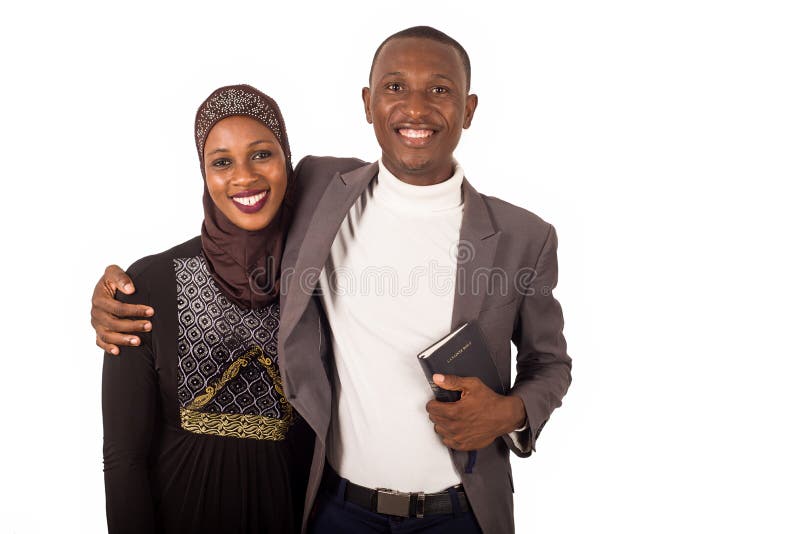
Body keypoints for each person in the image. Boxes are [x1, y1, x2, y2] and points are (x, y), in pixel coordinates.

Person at [93, 27, 571, 534]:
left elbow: (551, 362)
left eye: (439, 89)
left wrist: (512, 412)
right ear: (367, 103)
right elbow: (242, 220)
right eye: (394, 87)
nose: (414, 107)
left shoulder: (524, 237)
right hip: (339, 510)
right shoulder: (323, 189)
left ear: (469, 109)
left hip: (461, 513)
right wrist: (116, 291)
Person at [102, 84, 308, 533]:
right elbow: (124, 458)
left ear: (287, 162)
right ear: (203, 173)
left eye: (261, 154)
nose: (243, 177)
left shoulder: (315, 281)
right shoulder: (149, 284)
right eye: (221, 162)